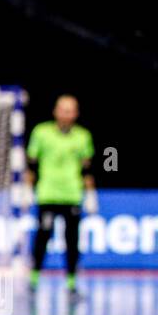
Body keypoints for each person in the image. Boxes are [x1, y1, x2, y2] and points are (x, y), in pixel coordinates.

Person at [25, 95, 96, 296]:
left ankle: (72, 284)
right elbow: (32, 162)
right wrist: (27, 188)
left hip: (72, 195)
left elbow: (87, 169)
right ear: (55, 111)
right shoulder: (41, 132)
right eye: (63, 109)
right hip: (47, 194)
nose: (66, 114)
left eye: (70, 110)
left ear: (76, 113)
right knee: (42, 239)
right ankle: (33, 281)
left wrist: (90, 194)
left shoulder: (83, 136)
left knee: (72, 242)